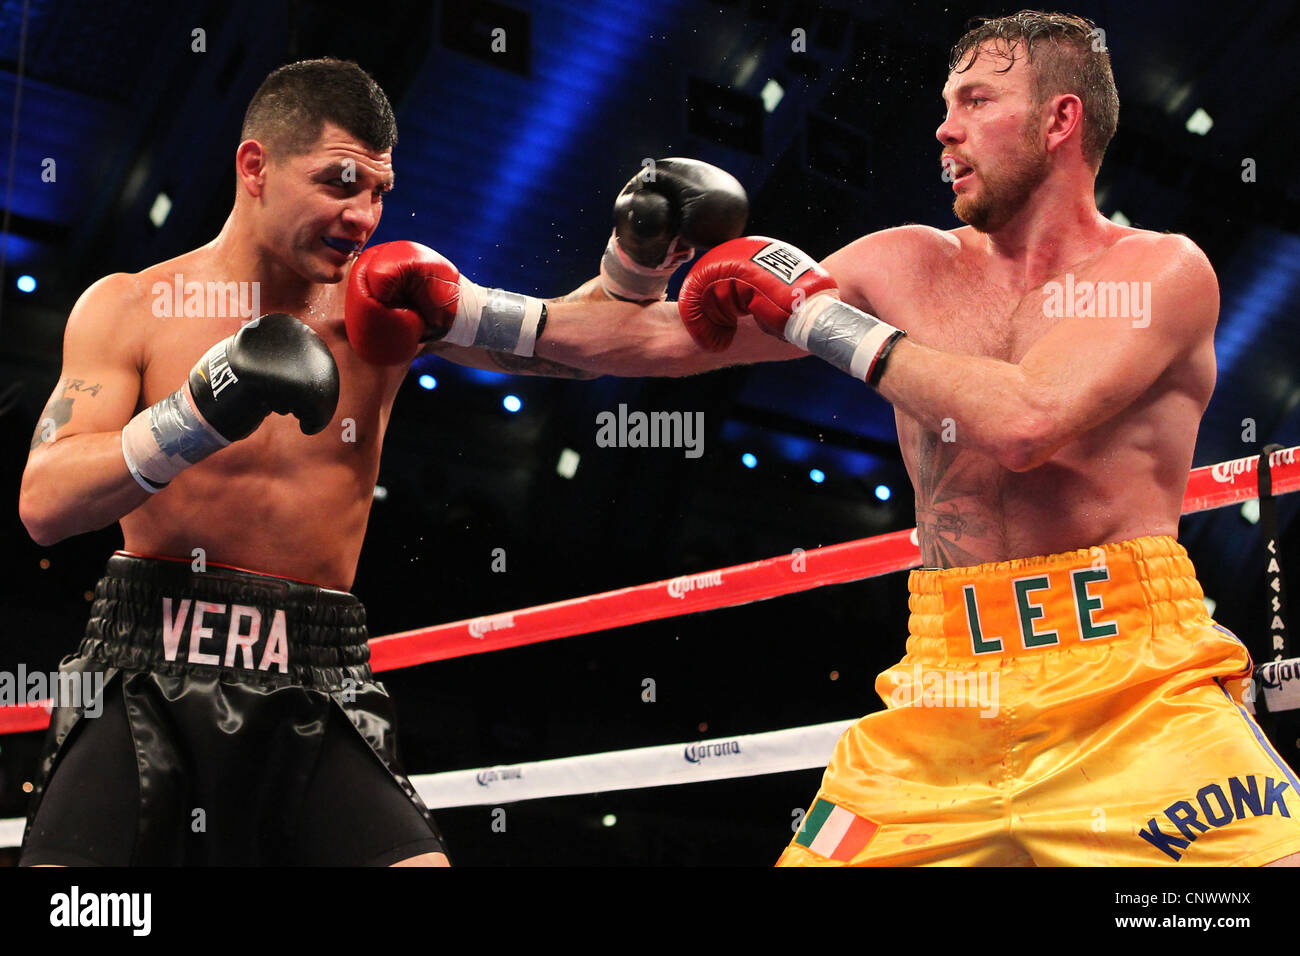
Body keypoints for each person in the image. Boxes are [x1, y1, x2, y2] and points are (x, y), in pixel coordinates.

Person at [514, 10, 1300, 865]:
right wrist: (479, 307)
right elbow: (663, 343)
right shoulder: (901, 262)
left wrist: (825, 322)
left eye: (975, 100)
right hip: (942, 690)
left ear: (1059, 120)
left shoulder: (1160, 271)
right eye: (944, 101)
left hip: (1136, 691)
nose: (944, 126)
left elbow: (1025, 420)